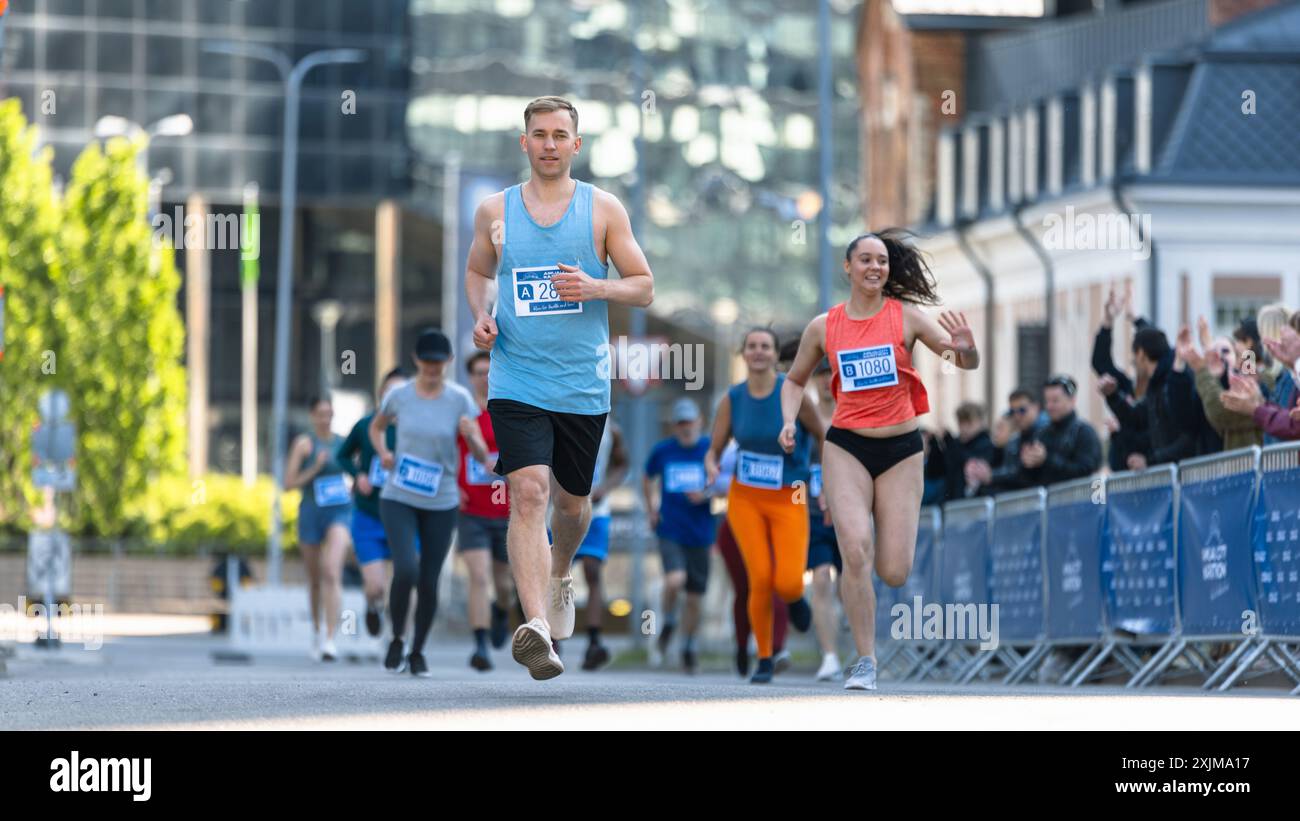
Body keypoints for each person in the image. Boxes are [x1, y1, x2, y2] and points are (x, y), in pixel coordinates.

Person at [464, 95, 654, 680]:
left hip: (582, 384)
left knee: (572, 504)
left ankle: (559, 573)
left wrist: (597, 288)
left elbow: (644, 286)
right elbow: (477, 271)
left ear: (576, 144)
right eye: (539, 134)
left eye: (559, 135)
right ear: (524, 144)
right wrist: (482, 316)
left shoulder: (603, 210)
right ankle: (537, 629)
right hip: (516, 377)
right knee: (527, 494)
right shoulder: (495, 212)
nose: (549, 144)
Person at [779, 229, 979, 691]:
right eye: (865, 260)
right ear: (848, 267)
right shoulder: (823, 326)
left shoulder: (907, 317)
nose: (875, 267)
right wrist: (790, 421)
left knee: (893, 569)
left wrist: (966, 348)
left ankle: (866, 636)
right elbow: (794, 381)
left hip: (902, 451)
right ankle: (865, 660)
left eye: (883, 261)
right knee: (854, 549)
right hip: (846, 446)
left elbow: (965, 362)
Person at [705, 327, 824, 684]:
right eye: (752, 346)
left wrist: (821, 478)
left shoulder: (794, 393)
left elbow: (822, 434)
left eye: (765, 347)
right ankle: (766, 656)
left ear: (775, 354)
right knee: (759, 578)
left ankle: (795, 600)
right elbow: (715, 448)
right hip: (746, 498)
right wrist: (711, 464)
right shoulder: (733, 398)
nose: (758, 352)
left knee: (787, 582)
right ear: (744, 353)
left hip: (792, 494)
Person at [371, 329, 489, 677]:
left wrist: (472, 437)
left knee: (429, 577)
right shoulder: (400, 396)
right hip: (400, 495)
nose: (434, 368)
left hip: (442, 499)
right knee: (405, 567)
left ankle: (418, 649)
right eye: (427, 362)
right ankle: (396, 637)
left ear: (448, 362)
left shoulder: (459, 400)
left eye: (439, 363)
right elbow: (376, 428)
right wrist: (383, 453)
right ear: (416, 360)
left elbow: (482, 454)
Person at [642, 398, 715, 674]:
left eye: (690, 422)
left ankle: (688, 644)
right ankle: (670, 620)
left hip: (700, 530)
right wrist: (652, 508)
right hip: (670, 527)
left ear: (700, 422)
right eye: (681, 423)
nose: (686, 428)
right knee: (675, 580)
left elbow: (724, 483)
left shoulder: (709, 449)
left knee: (695, 597)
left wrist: (706, 494)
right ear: (674, 427)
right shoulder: (663, 451)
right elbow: (647, 476)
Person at [336, 368, 409, 638]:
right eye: (390, 390)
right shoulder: (365, 424)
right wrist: (358, 476)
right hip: (369, 514)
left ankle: (401, 642)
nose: (394, 396)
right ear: (381, 393)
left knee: (405, 581)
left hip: (405, 515)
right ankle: (372, 606)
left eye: (401, 392)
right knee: (376, 586)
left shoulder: (415, 428)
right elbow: (342, 455)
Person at [455, 350, 515, 671]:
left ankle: (502, 611)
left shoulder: (508, 411)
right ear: (470, 376)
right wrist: (452, 486)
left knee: (503, 584)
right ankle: (479, 645)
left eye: (489, 371)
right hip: (472, 510)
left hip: (505, 511)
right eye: (478, 371)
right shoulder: (462, 415)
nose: (484, 376)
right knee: (477, 577)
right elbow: (446, 455)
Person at [711, 441, 792, 677]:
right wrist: (743, 485)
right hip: (737, 525)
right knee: (745, 589)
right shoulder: (730, 448)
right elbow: (713, 482)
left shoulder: (786, 439)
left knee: (775, 583)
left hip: (775, 523)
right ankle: (742, 647)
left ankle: (775, 649)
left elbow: (798, 480)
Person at [286, 396, 353, 662]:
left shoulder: (343, 443)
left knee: (331, 570)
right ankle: (315, 630)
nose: (325, 418)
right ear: (312, 415)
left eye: (329, 413)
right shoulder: (304, 444)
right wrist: (314, 467)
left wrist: (354, 483)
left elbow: (355, 470)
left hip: (340, 511)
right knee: (314, 579)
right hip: (311, 512)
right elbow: (289, 483)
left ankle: (329, 638)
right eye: (320, 414)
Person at [1099, 326, 1217, 470]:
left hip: (1188, 475)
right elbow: (1137, 417)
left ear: (1141, 354)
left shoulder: (1175, 381)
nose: (1134, 364)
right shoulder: (1156, 385)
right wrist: (1113, 396)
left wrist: (1151, 462)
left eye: (1134, 358)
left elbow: (1188, 436)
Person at [571, 420, 628, 670]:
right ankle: (549, 637)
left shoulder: (611, 428)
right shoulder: (557, 414)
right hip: (558, 509)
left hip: (596, 508)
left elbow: (622, 464)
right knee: (552, 573)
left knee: (592, 571)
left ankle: (594, 642)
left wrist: (606, 487)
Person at [805, 359, 845, 680]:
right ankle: (829, 655)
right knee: (820, 579)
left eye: (828, 376)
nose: (823, 382)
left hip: (849, 510)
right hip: (814, 513)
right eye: (818, 377)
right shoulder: (804, 417)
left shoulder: (850, 415)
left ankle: (861, 651)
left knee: (850, 584)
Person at [965, 389, 1046, 494]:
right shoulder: (1016, 441)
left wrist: (990, 476)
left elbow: (1021, 477)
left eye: (1022, 410)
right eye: (1012, 411)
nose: (1017, 416)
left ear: (1036, 408)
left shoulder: (1043, 434)